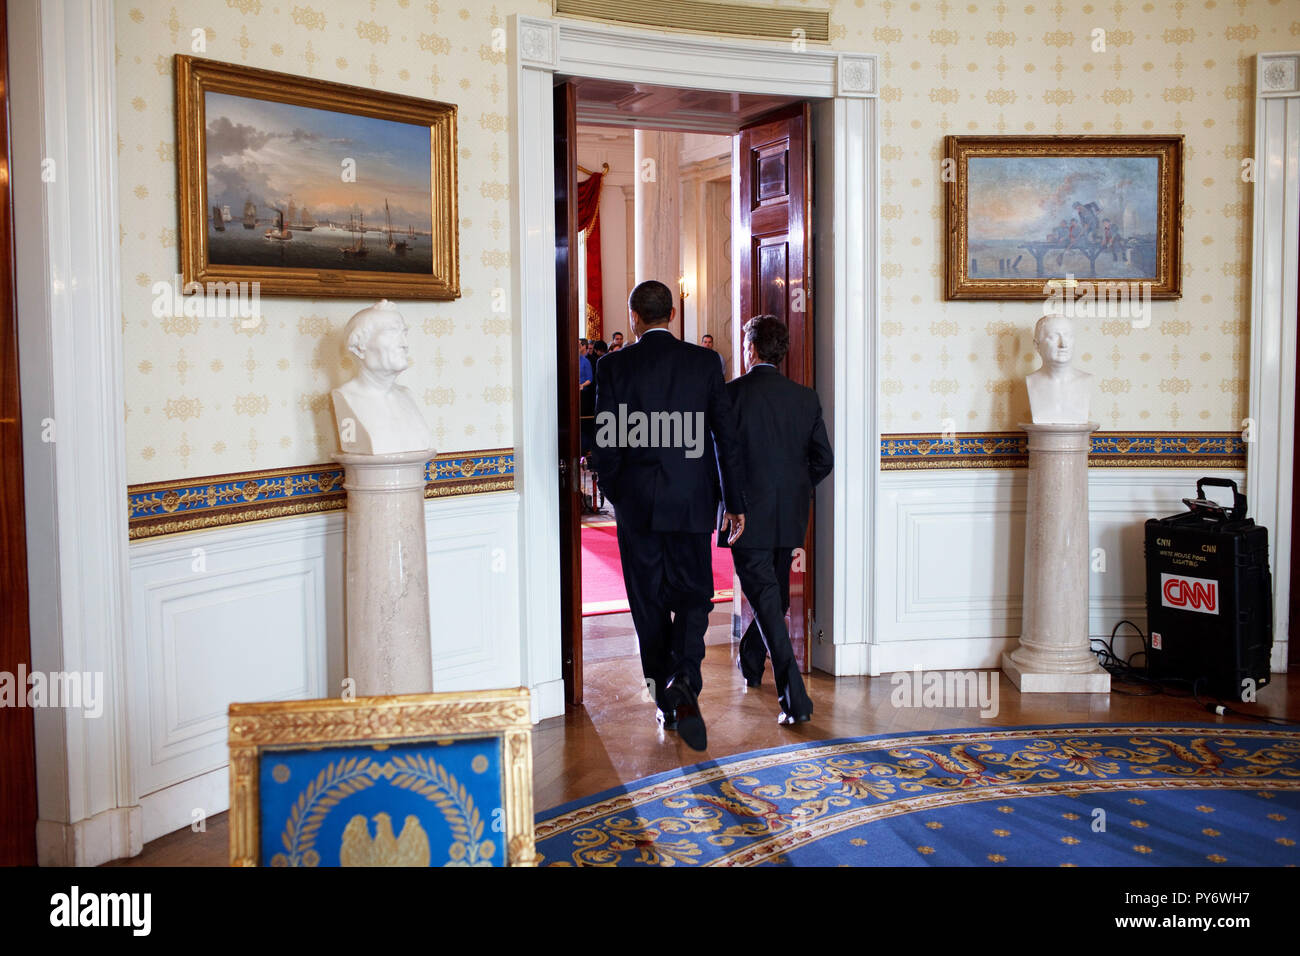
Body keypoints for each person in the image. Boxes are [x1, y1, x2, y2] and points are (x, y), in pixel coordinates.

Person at [591, 280, 747, 752]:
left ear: (633, 315)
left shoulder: (613, 364)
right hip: (692, 499)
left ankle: (666, 692)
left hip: (638, 503)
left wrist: (617, 492)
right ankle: (684, 681)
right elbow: (724, 436)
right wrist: (733, 500)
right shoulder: (704, 362)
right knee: (696, 592)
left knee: (648, 599)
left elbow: (606, 440)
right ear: (674, 313)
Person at [721, 315, 832, 725]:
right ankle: (776, 682)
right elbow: (824, 460)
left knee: (775, 600)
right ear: (781, 352)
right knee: (774, 599)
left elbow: (721, 460)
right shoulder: (806, 398)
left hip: (744, 518)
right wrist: (795, 488)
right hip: (787, 515)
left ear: (751, 349)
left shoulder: (729, 395)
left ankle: (769, 675)